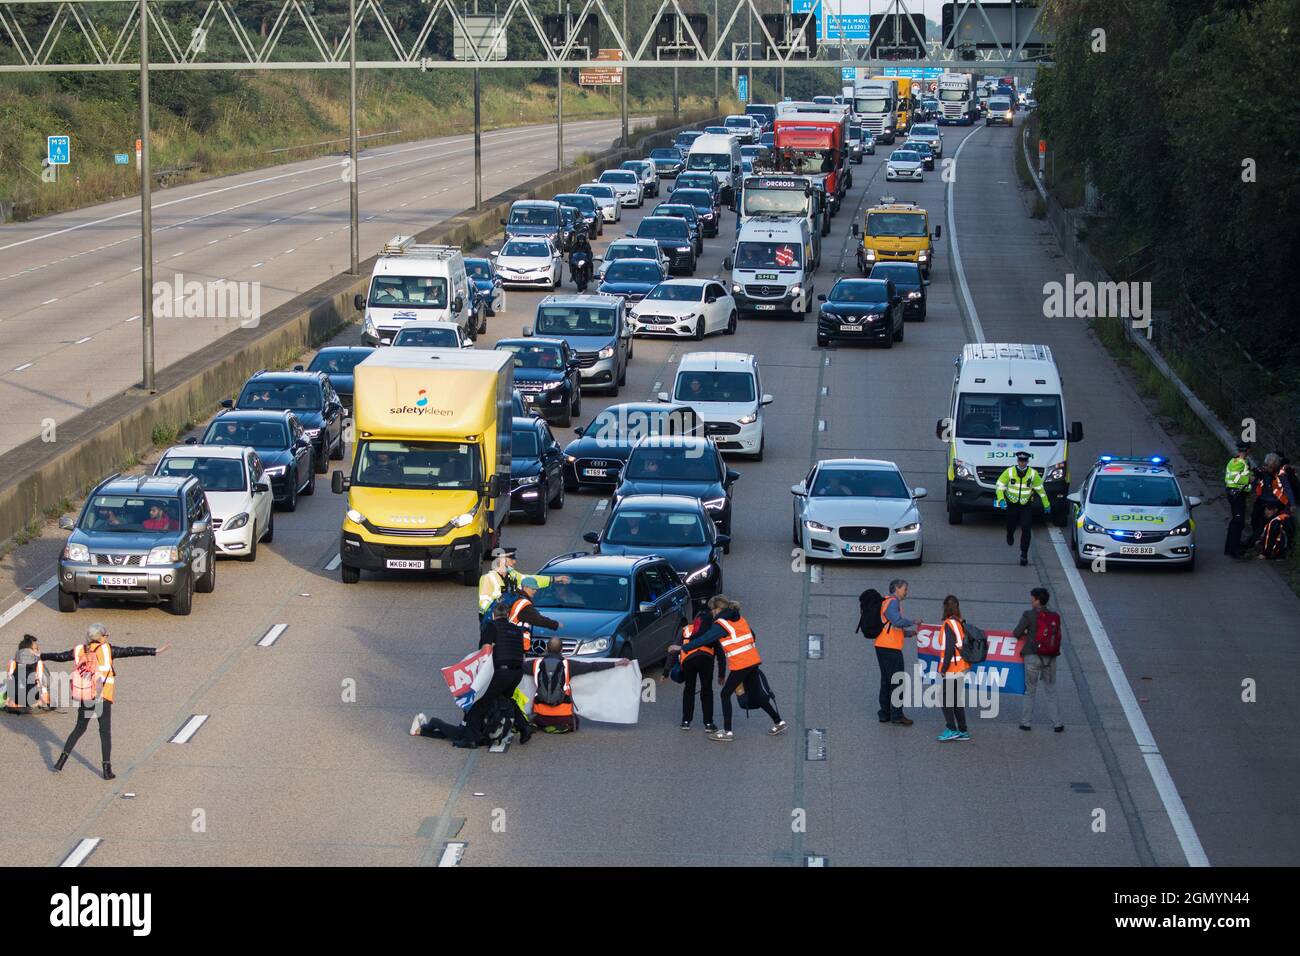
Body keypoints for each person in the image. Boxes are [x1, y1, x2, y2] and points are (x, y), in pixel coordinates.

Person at [42, 624, 169, 779]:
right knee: (104, 732)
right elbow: (131, 651)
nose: (107, 637)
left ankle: (61, 761)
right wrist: (153, 651)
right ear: (101, 637)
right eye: (106, 635)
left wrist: (41, 656)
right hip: (103, 696)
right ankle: (106, 770)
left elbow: (59, 656)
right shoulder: (107, 649)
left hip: (85, 695)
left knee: (79, 729)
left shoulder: (79, 650)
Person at [670, 596, 786, 742]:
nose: (712, 613)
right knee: (756, 694)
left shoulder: (722, 625)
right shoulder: (740, 619)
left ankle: (727, 731)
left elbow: (704, 639)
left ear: (718, 609)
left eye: (712, 610)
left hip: (741, 663)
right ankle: (778, 722)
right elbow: (753, 636)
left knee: (725, 694)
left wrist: (682, 647)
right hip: (752, 660)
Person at [530, 637, 631, 733]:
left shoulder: (535, 664)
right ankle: (559, 726)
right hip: (562, 715)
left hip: (541, 714)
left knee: (535, 718)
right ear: (562, 650)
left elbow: (518, 667)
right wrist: (616, 663)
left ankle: (539, 724)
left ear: (546, 648)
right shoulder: (569, 665)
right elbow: (593, 666)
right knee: (575, 722)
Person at [1013, 587, 1064, 732]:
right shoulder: (1054, 617)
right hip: (1051, 658)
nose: (1031, 600)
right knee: (1051, 690)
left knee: (1030, 690)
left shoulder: (1029, 615)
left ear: (1037, 600)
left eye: (1032, 598)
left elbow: (1016, 633)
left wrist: (1028, 634)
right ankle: (1057, 723)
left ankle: (1026, 723)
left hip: (1032, 657)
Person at [673, 607, 725, 732]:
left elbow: (675, 651)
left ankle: (686, 722)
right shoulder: (711, 632)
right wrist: (721, 675)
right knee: (706, 690)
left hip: (689, 661)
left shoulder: (686, 630)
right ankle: (708, 723)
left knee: (689, 690)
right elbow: (721, 655)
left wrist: (666, 670)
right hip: (706, 661)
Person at [995, 450, 1051, 566]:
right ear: (1017, 461)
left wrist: (1046, 504)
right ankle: (1009, 534)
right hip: (1012, 504)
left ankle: (1024, 554)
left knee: (1026, 528)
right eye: (1020, 461)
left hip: (1026, 505)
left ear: (1027, 461)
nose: (1022, 463)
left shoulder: (1033, 474)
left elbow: (1040, 490)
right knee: (1011, 524)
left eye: (1024, 461)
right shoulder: (1009, 472)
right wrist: (1001, 499)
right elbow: (1000, 486)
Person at [476, 549, 567, 619]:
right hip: (491, 619)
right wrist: (496, 616)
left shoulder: (512, 575)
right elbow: (484, 603)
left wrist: (554, 579)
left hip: (507, 618)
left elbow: (530, 580)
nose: (514, 562)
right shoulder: (488, 578)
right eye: (511, 559)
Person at [876, 579, 917, 725]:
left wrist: (909, 633)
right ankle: (897, 715)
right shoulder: (893, 602)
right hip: (890, 648)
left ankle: (885, 713)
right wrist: (914, 621)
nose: (906, 592)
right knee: (898, 680)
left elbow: (891, 627)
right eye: (905, 589)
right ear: (897, 589)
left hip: (882, 645)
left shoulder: (886, 601)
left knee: (886, 680)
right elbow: (897, 622)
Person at [936, 595, 970, 742]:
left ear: (945, 607)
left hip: (952, 668)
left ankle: (951, 729)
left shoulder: (948, 624)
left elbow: (949, 648)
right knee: (955, 700)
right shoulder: (959, 623)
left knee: (944, 699)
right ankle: (963, 730)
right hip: (962, 666)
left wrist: (943, 668)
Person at [5, 635, 51, 714]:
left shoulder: (12, 662)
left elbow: (10, 681)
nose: (38, 651)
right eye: (36, 649)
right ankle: (33, 705)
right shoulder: (38, 663)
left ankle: (15, 704)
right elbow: (44, 683)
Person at [1224, 442, 1252, 558]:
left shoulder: (1237, 461)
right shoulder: (1238, 462)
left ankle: (1230, 548)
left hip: (1237, 495)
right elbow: (1233, 478)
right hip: (1237, 496)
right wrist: (1248, 479)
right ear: (1248, 450)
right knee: (1238, 523)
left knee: (1235, 521)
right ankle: (1234, 550)